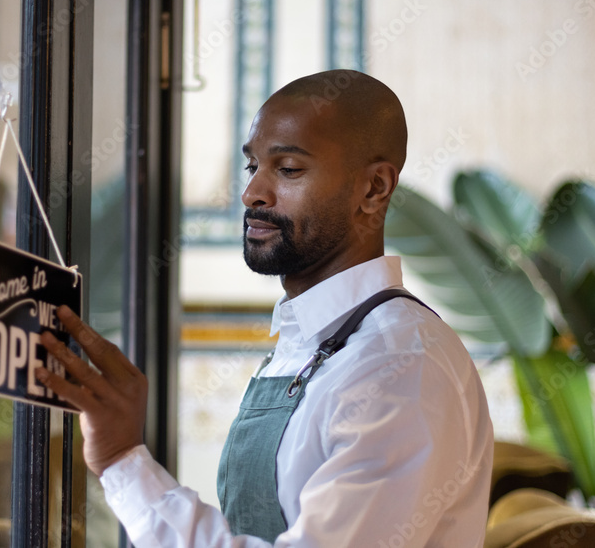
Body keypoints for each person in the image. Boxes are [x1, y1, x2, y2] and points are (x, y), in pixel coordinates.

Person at [37, 70, 494, 547]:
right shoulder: (312, 344)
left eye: (289, 169)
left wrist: (123, 461)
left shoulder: (400, 366)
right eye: (252, 166)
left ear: (374, 189)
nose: (253, 193)